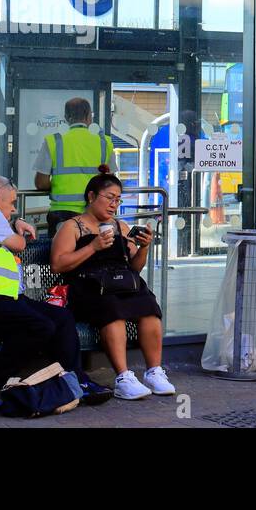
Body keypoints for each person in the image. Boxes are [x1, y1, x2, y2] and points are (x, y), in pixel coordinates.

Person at [0, 176, 111, 410]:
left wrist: (13, 223)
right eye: (11, 204)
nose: (13, 209)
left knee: (61, 317)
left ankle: (75, 379)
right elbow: (19, 244)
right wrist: (18, 227)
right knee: (40, 327)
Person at [51, 171, 171, 400]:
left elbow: (135, 267)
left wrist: (144, 247)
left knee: (149, 308)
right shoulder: (72, 226)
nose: (114, 204)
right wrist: (92, 247)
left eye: (118, 200)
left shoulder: (121, 226)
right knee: (112, 311)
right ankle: (123, 377)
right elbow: (58, 264)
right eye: (109, 197)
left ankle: (154, 371)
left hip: (122, 281)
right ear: (91, 196)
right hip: (89, 286)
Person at [34, 98, 116, 234]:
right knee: (94, 252)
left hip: (62, 213)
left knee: (61, 253)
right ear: (89, 116)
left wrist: (58, 185)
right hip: (95, 211)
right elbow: (111, 182)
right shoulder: (104, 142)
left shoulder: (54, 141)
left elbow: (41, 183)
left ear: (66, 117)